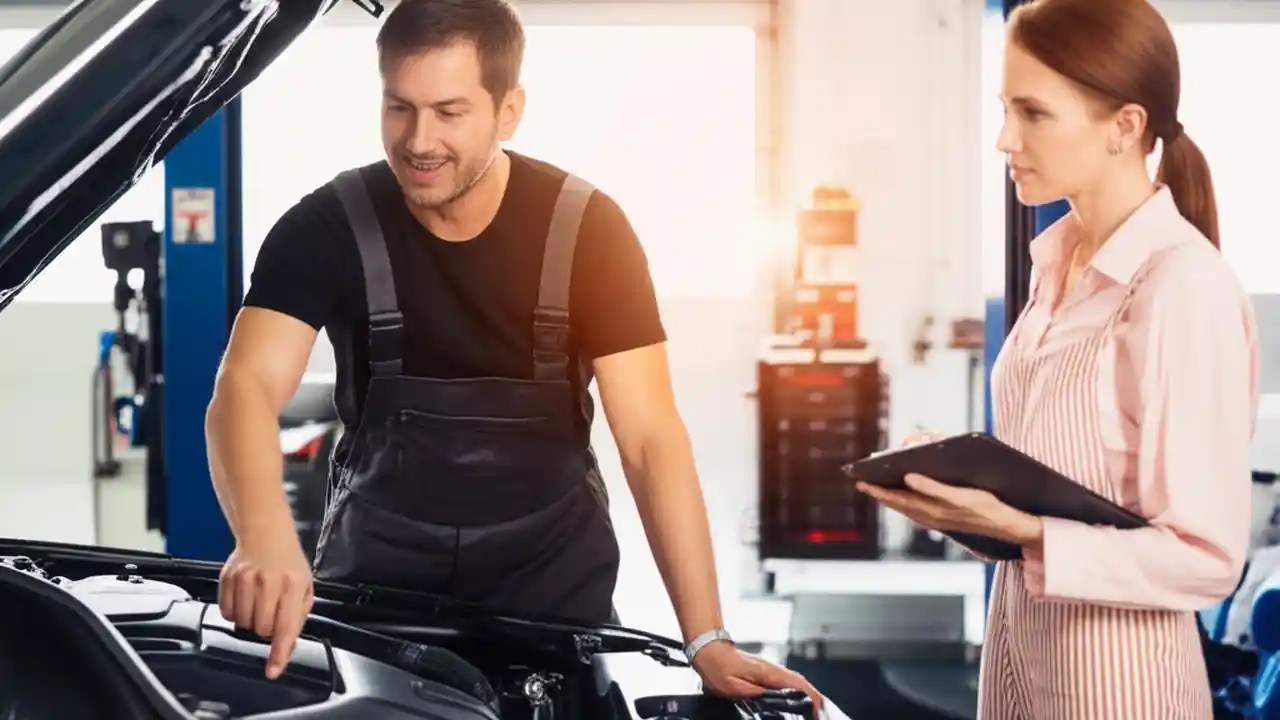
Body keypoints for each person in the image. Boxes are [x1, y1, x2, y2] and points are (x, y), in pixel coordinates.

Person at [203, 0, 823, 707]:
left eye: (449, 111)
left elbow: (650, 439)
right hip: (376, 621)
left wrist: (705, 637)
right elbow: (245, 386)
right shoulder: (329, 224)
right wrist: (263, 539)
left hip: (553, 620)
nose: (418, 140)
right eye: (399, 108)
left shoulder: (589, 230)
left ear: (509, 111)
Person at [853, 0, 1259, 718]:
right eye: (1005, 109)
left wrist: (1024, 532)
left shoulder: (1180, 287)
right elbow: (1051, 494)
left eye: (1034, 113)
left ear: (1125, 127)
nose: (1007, 138)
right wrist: (953, 498)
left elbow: (1208, 561)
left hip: (1121, 692)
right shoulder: (1056, 267)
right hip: (1018, 673)